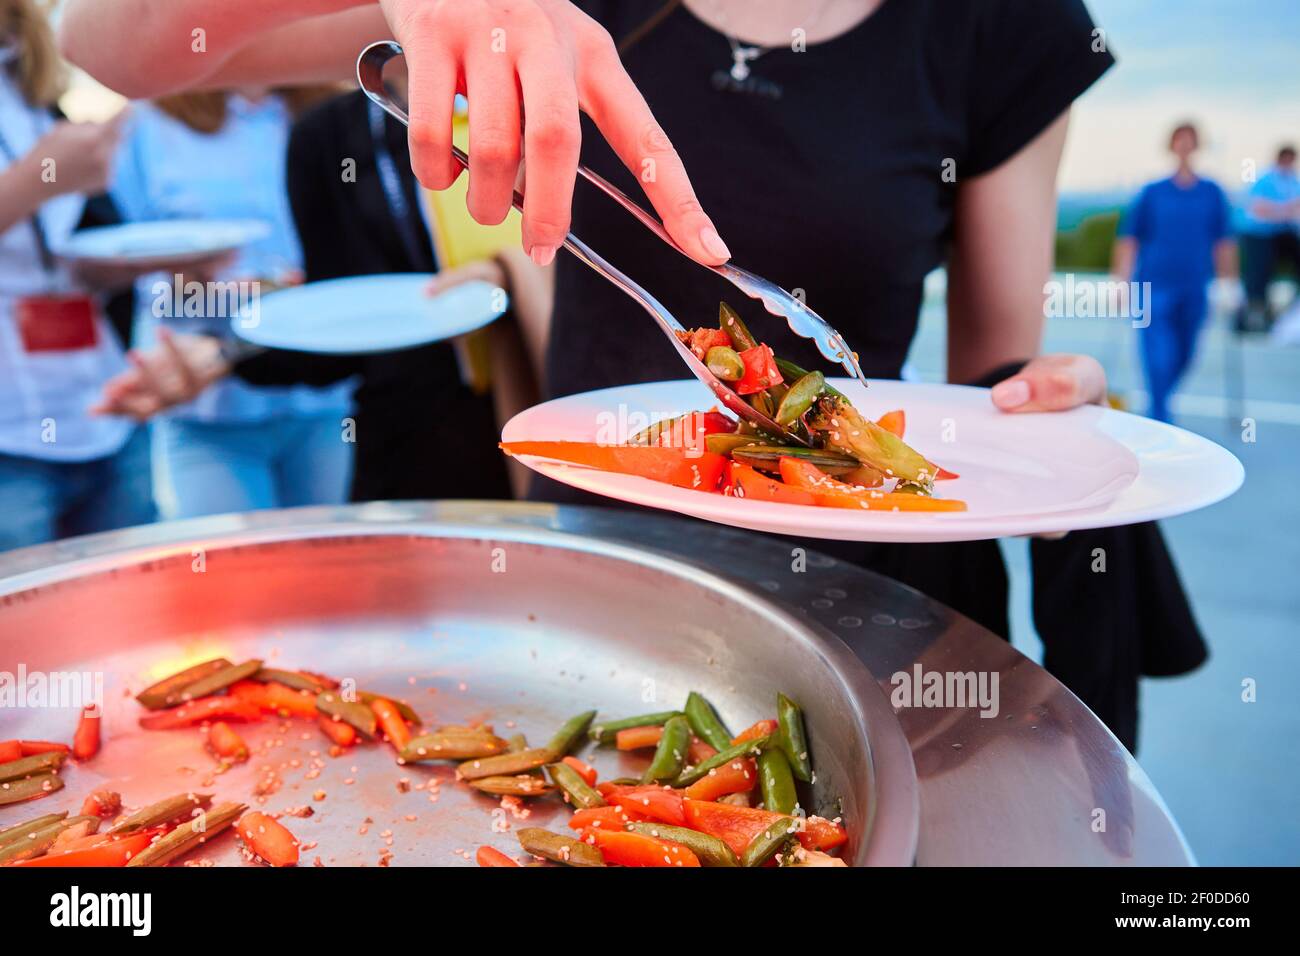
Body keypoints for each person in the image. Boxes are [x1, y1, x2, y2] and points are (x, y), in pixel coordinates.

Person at [61, 0, 1209, 753]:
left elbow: (994, 367)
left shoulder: (1005, 26)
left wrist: (1052, 402)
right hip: (589, 606)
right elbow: (111, 44)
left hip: (887, 625)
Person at [96, 87, 552, 502]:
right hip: (380, 445)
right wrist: (223, 346)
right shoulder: (331, 130)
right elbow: (336, 316)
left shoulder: (544, 99)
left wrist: (506, 273)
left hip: (366, 420)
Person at [109, 87, 358, 518]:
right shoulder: (145, 125)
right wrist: (216, 294)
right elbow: (128, 277)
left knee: (325, 572)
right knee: (235, 578)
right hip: (210, 409)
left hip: (324, 402)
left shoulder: (330, 109)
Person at [0, 0, 155, 551]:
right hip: (10, 442)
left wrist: (157, 262)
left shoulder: (30, 88)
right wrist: (36, 181)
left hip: (103, 415)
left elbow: (62, 261)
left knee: (137, 625)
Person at [1111, 122, 1237, 424]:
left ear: (1196, 146)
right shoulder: (1153, 192)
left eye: (1189, 140)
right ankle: (1160, 416)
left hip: (1194, 285)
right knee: (1158, 355)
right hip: (1152, 285)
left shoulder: (1212, 192)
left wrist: (1229, 283)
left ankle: (1160, 405)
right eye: (1179, 140)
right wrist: (1120, 281)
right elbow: (1129, 238)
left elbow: (1224, 242)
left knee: (1186, 354)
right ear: (1172, 145)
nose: (1184, 146)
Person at [1237, 144, 1300, 332]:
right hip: (1258, 235)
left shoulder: (1293, 181)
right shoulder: (1264, 179)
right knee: (1258, 273)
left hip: (1281, 233)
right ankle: (1255, 312)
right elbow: (1257, 208)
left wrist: (1283, 211)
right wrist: (1283, 210)